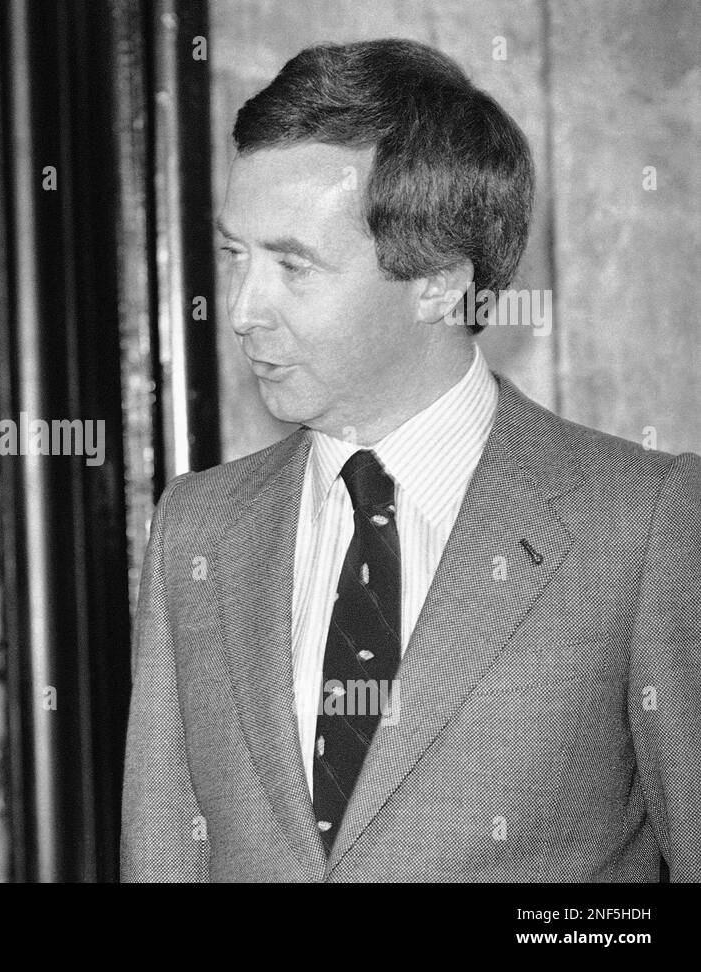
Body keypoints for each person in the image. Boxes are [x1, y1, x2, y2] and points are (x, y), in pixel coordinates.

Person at [122, 39, 700, 882]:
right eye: (235, 256)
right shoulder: (196, 531)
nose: (243, 310)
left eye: (294, 265)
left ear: (439, 283)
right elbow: (162, 854)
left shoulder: (642, 524)